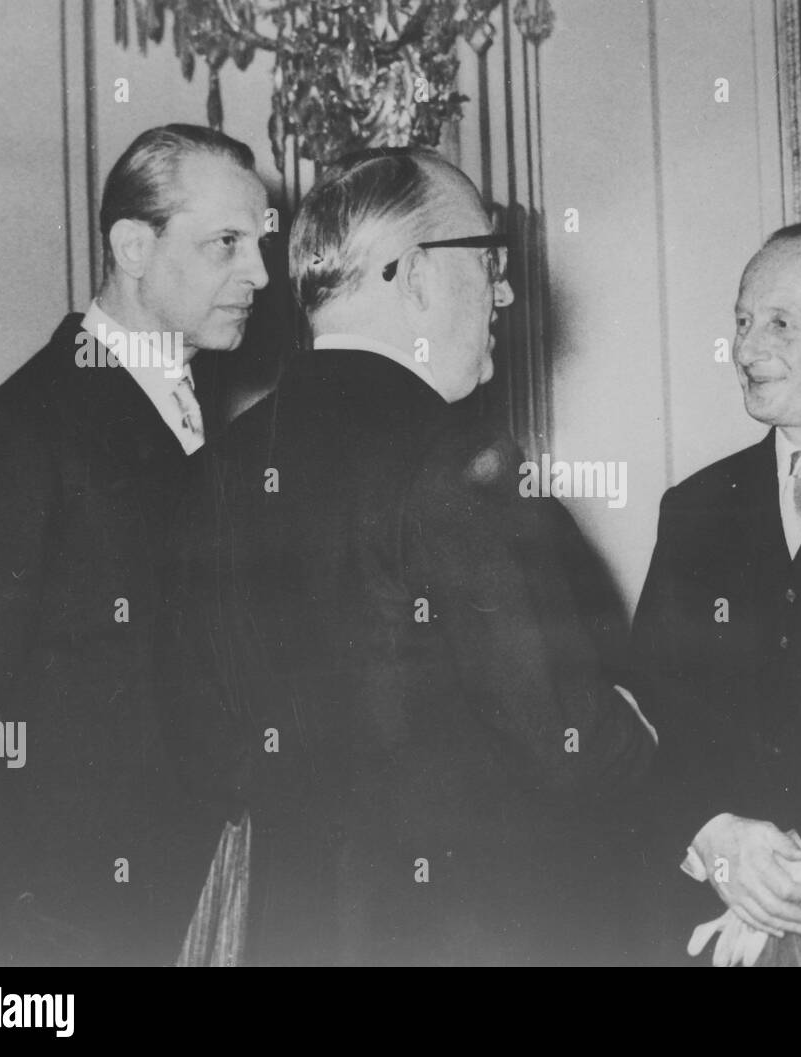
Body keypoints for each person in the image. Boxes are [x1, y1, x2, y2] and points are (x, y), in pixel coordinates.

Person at [164, 147, 655, 966]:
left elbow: (197, 738)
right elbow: (565, 740)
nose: (503, 290)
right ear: (418, 273)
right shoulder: (456, 456)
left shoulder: (215, 467)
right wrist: (644, 739)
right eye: (489, 258)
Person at [0, 124, 270, 965]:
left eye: (262, 244)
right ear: (132, 245)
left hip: (187, 902)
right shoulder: (17, 436)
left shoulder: (197, 424)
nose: (261, 273)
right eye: (228, 243)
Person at [632, 223, 801, 967]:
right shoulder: (696, 506)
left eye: (779, 322)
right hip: (716, 918)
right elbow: (657, 698)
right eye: (742, 322)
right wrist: (715, 837)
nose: (745, 349)